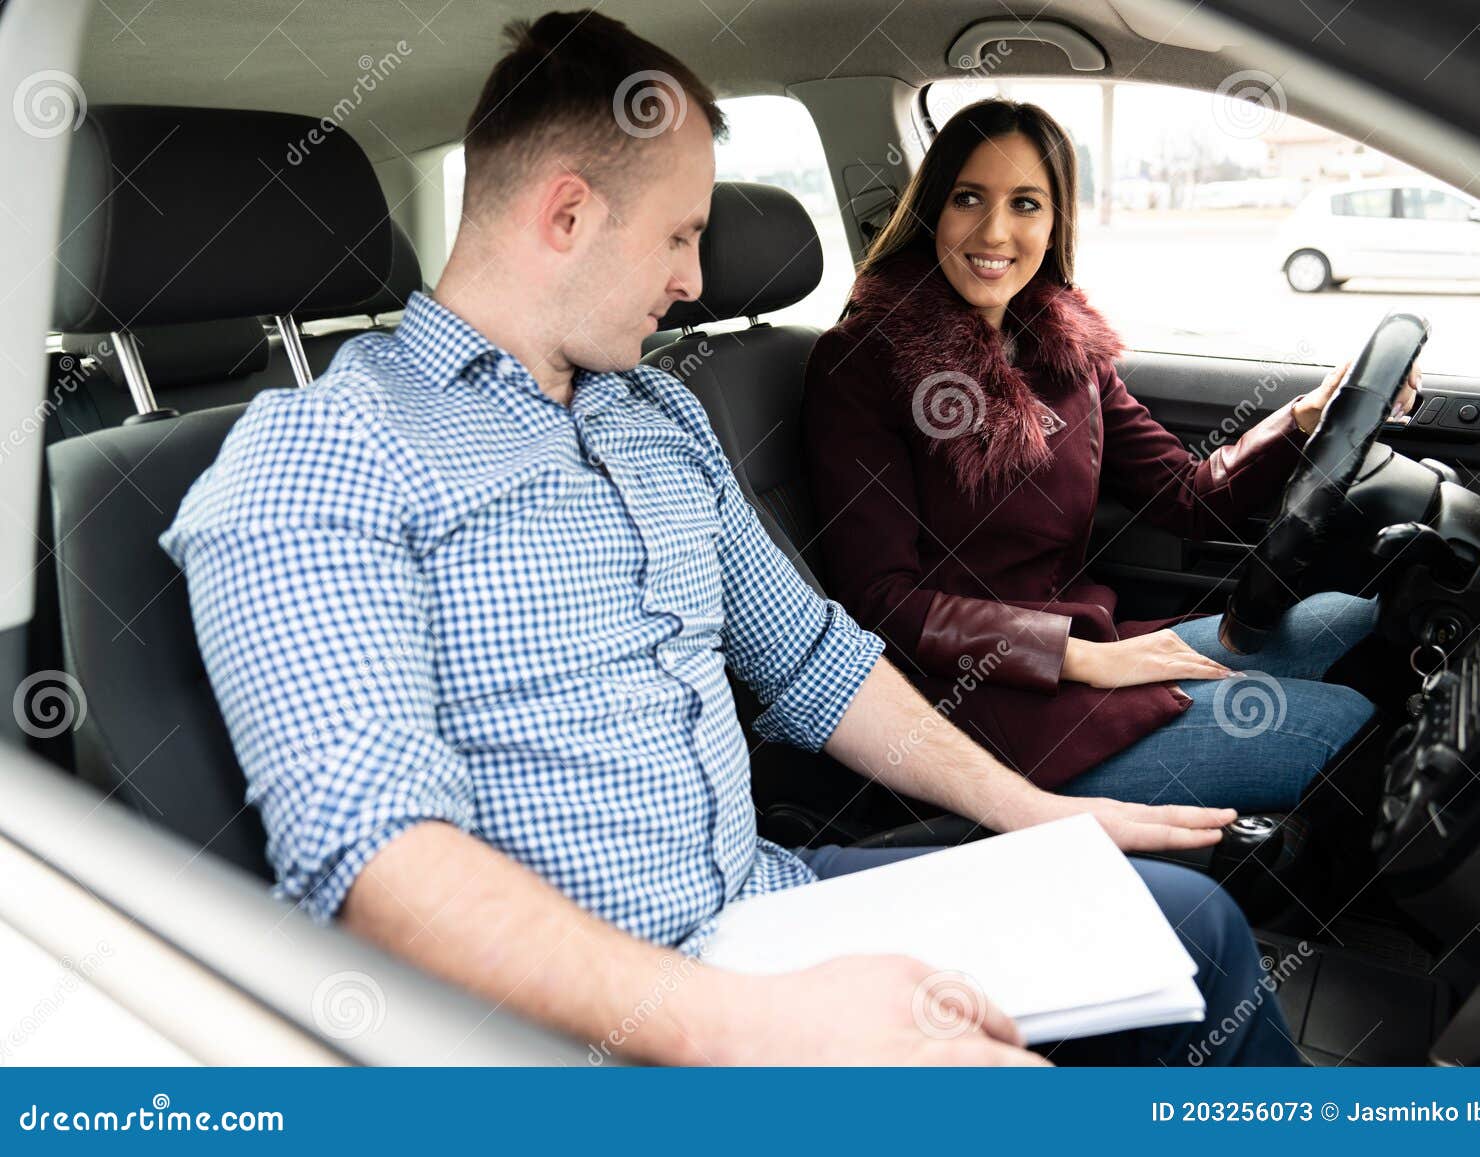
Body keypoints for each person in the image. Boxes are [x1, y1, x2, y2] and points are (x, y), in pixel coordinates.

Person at [162, 11, 1302, 1066]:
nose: (695, 278)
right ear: (564, 215)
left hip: (765, 901)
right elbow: (375, 860)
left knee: (1192, 930)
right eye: (677, 236)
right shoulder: (320, 457)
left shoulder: (654, 414)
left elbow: (815, 658)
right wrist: (759, 1026)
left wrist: (1039, 818)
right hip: (583, 1023)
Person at [803, 99, 1420, 813]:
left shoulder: (1067, 354)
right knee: (1341, 727)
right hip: (977, 713)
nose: (995, 230)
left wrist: (1303, 418)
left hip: (1090, 651)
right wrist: (1084, 658)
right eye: (967, 198)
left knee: (1360, 621)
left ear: (1056, 221)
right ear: (933, 209)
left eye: (1026, 203)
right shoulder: (860, 362)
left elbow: (1189, 495)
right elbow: (880, 603)